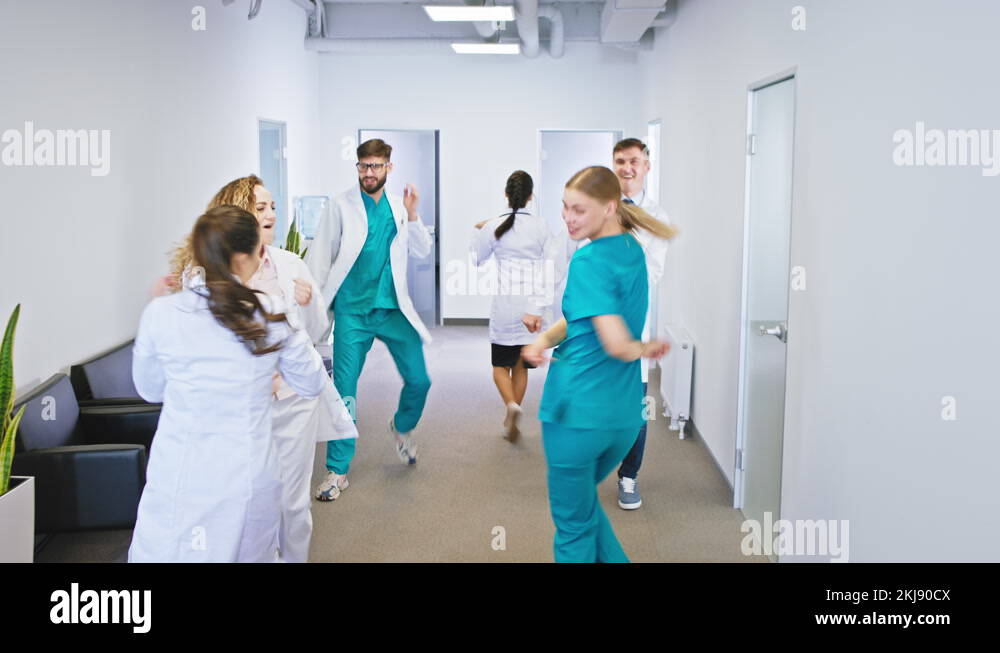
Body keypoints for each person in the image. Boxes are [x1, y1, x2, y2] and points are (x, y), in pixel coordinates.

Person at [164, 175, 358, 562]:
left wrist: (306, 304)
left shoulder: (291, 264)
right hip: (239, 409)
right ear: (237, 216)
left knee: (292, 504)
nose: (271, 214)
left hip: (291, 403)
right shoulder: (203, 274)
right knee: (246, 501)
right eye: (260, 207)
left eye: (273, 206)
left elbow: (318, 334)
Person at [129, 206, 331, 562]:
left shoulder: (161, 312)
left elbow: (150, 390)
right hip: (246, 473)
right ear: (241, 256)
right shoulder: (269, 310)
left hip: (180, 472)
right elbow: (312, 383)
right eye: (258, 252)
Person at [523, 165, 676, 563]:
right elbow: (588, 320)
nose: (568, 218)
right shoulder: (632, 250)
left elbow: (617, 344)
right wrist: (543, 339)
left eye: (578, 210)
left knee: (572, 528)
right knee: (584, 510)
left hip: (577, 415)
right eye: (564, 207)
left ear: (609, 207)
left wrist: (641, 348)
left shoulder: (588, 260)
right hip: (623, 420)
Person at [305, 138, 433, 501]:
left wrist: (414, 213)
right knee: (345, 393)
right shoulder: (339, 205)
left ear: (389, 168)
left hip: (392, 310)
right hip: (352, 311)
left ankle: (402, 427)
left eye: (377, 166)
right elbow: (319, 258)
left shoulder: (398, 206)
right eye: (364, 166)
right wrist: (311, 311)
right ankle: (337, 471)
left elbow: (423, 250)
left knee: (420, 380)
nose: (369, 173)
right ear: (357, 167)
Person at [562, 138, 673, 510]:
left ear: (647, 166)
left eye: (634, 161)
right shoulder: (597, 207)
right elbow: (578, 254)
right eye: (620, 161)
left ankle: (629, 477)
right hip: (591, 326)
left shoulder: (658, 218)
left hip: (630, 326)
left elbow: (652, 272)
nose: (627, 168)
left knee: (635, 412)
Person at [470, 170, 559, 442]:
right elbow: (553, 265)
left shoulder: (494, 225)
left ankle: (510, 405)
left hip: (505, 306)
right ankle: (514, 412)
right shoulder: (542, 226)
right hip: (532, 307)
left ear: (506, 195)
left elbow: (477, 258)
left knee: (499, 366)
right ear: (531, 196)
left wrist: (481, 229)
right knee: (521, 366)